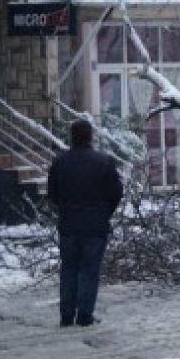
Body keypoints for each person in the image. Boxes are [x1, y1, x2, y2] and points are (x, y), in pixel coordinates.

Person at [47, 119, 123, 328]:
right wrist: (104, 213)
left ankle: (66, 315)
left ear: (71, 136)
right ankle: (84, 315)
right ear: (91, 136)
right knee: (89, 271)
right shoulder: (104, 162)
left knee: (69, 269)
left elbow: (52, 194)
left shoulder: (59, 162)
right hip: (95, 226)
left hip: (69, 225)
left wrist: (64, 210)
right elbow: (116, 193)